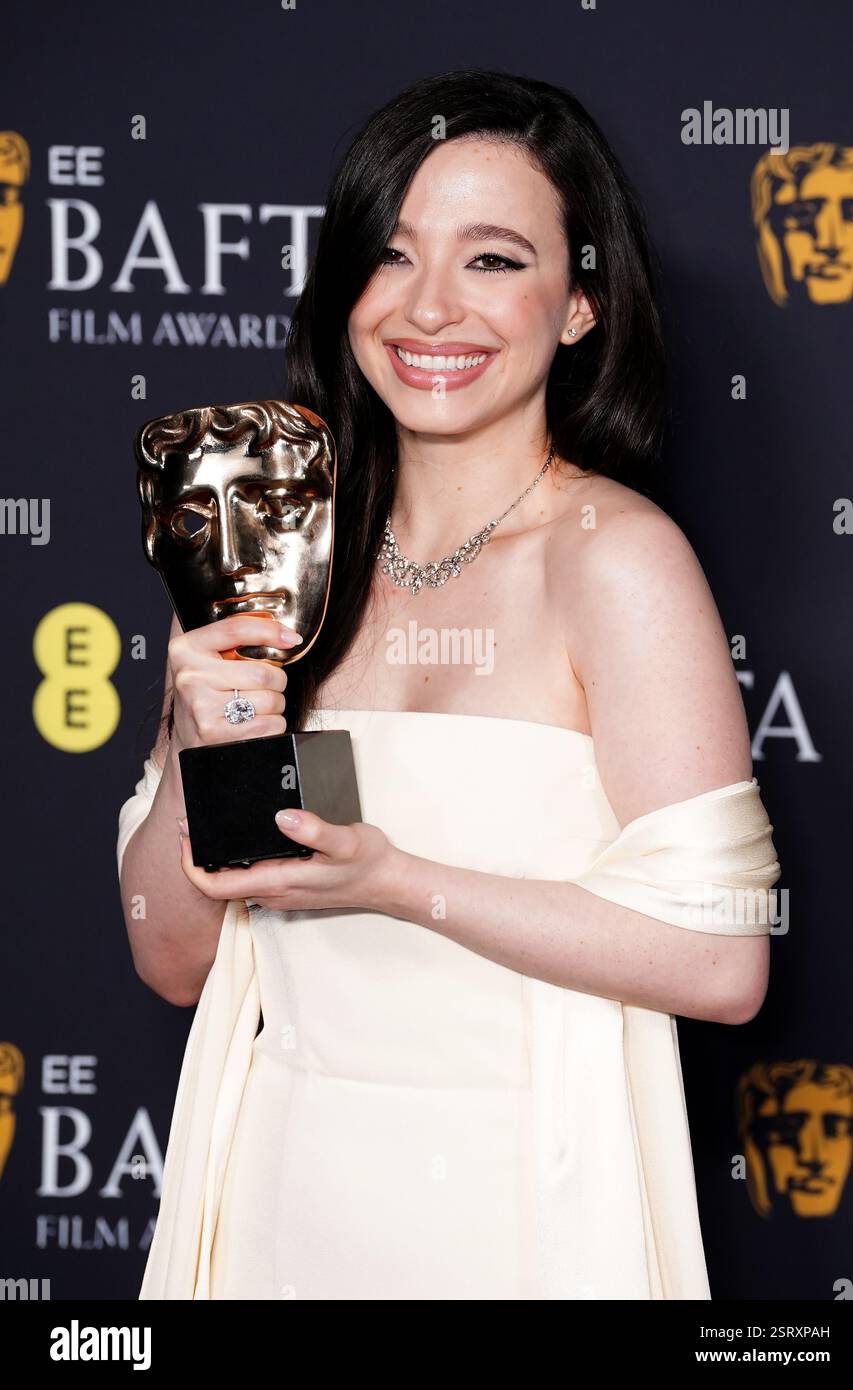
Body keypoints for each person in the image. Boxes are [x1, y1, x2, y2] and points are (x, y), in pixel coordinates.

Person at [117, 68, 781, 1301]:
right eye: (392, 254)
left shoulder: (615, 560)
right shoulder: (268, 551)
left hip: (523, 1216)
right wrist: (201, 742)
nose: (429, 307)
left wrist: (397, 882)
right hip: (281, 1210)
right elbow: (172, 957)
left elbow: (721, 962)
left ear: (578, 303)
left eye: (491, 259)